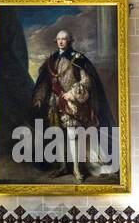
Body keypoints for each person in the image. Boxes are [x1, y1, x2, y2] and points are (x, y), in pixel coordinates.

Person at [30, 29, 117, 182]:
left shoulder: (78, 59)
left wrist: (71, 93)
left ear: (70, 41)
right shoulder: (52, 60)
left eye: (64, 39)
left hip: (71, 103)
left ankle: (76, 169)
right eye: (59, 39)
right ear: (56, 41)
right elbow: (45, 82)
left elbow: (87, 81)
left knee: (72, 135)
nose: (61, 41)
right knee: (58, 135)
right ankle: (63, 167)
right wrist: (39, 97)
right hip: (53, 103)